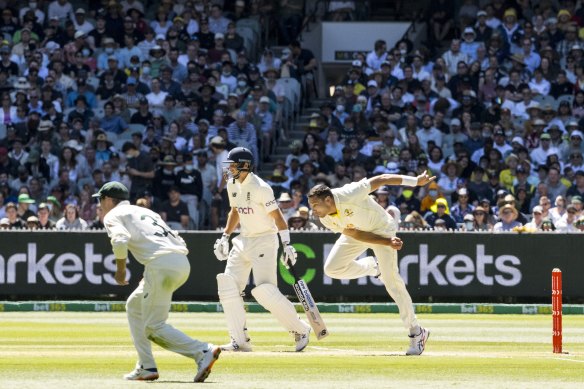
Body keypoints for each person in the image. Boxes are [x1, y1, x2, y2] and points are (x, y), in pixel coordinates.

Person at [92, 181, 220, 382]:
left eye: (100, 200)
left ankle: (202, 351)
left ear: (109, 199)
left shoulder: (113, 215)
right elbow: (178, 240)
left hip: (161, 265)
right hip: (180, 262)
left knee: (153, 327)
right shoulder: (148, 212)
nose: (99, 205)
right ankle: (146, 365)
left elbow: (119, 240)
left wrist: (120, 270)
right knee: (134, 306)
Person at [307, 170, 435, 355]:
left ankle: (416, 332)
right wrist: (385, 244)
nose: (313, 210)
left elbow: (382, 179)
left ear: (328, 200)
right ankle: (373, 267)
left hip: (382, 228)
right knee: (332, 268)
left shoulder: (349, 192)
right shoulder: (324, 218)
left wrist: (414, 181)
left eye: (315, 205)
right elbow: (355, 234)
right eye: (311, 205)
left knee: (392, 283)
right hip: (358, 232)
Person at [213, 147, 311, 352]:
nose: (229, 169)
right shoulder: (232, 184)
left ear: (245, 165)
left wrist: (287, 244)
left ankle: (300, 329)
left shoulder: (261, 187)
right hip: (243, 240)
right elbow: (235, 212)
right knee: (227, 286)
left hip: (265, 240)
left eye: (233, 165)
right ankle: (239, 340)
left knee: (265, 291)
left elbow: (278, 218)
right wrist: (225, 236)